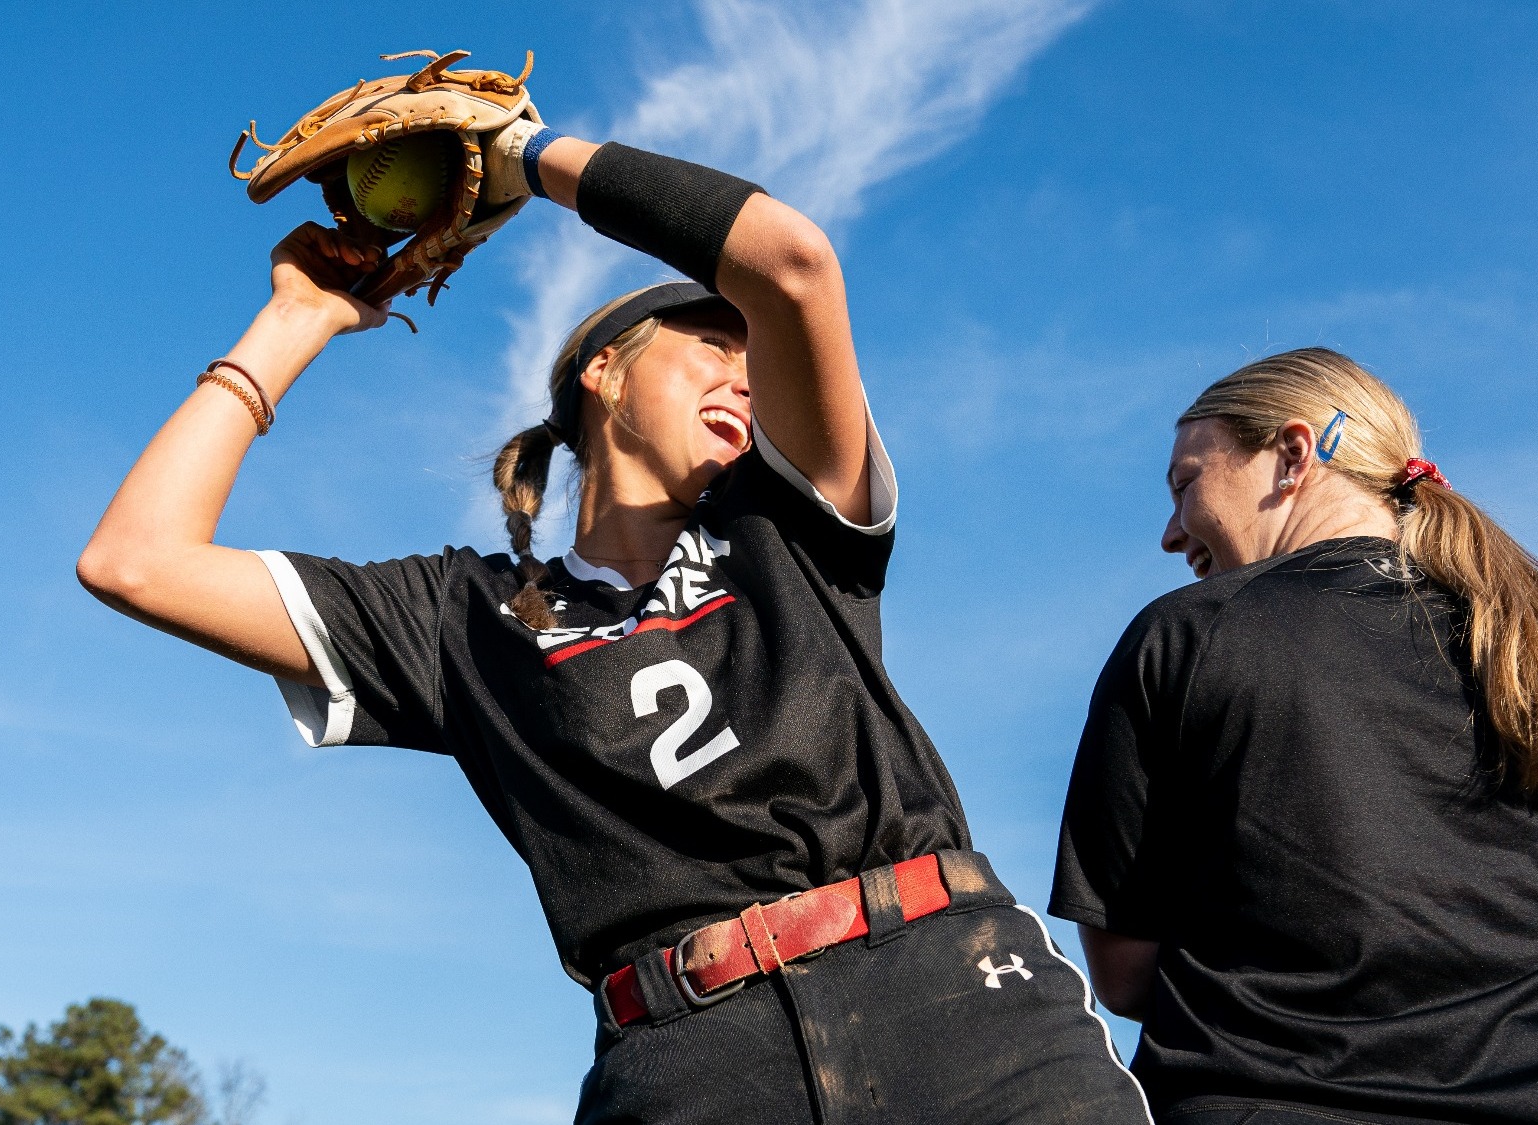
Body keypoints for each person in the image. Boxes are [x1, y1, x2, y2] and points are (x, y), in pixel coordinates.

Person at [80, 123, 1151, 1122]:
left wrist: (521, 150)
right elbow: (135, 562)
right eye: (709, 347)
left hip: (958, 1006)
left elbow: (792, 264)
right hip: (693, 1062)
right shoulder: (456, 616)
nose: (744, 374)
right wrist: (294, 320)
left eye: (752, 354)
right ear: (604, 369)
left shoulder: (790, 522)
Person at [1050, 348, 1538, 1124]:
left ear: (1292, 455)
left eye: (1186, 483)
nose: (1170, 531)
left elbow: (1123, 973)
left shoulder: (1185, 639)